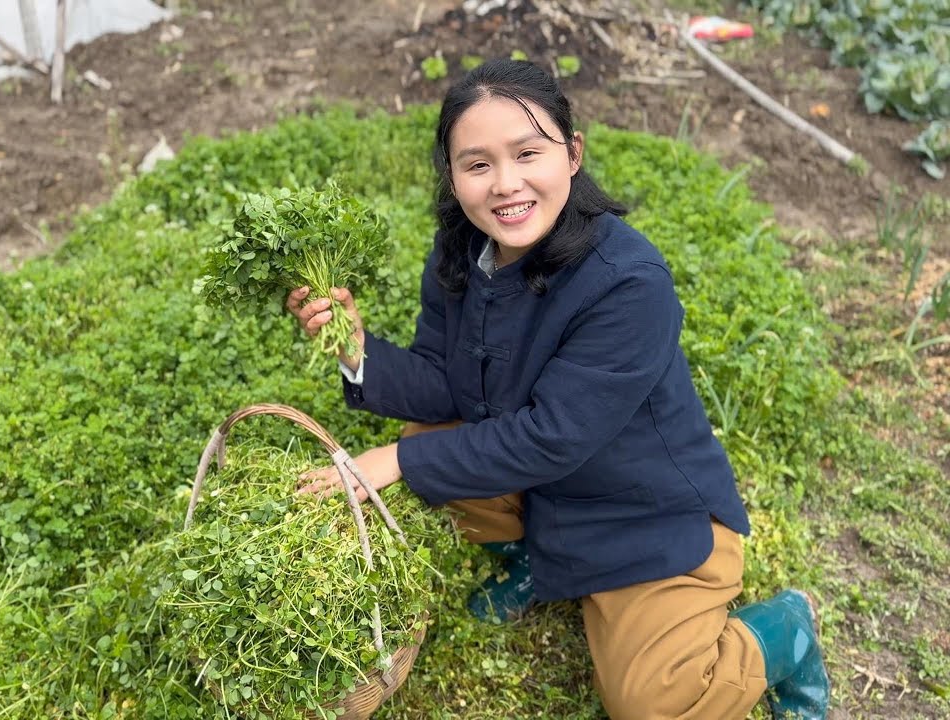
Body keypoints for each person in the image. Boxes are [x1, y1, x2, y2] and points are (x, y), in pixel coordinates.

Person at [285, 58, 829, 720]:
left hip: (641, 513)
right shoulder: (462, 251)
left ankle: (784, 632)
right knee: (427, 437)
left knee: (649, 703)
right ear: (452, 178)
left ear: (571, 154)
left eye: (527, 153)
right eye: (477, 164)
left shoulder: (629, 282)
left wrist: (393, 463)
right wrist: (355, 350)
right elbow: (446, 383)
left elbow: (551, 438)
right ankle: (537, 560)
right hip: (553, 486)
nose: (506, 184)